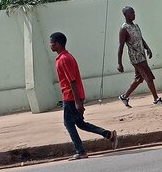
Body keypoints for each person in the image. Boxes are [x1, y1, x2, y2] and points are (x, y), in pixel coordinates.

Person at [50, 32, 118, 160]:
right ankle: (108, 135)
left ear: (57, 44)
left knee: (68, 124)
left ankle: (80, 151)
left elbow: (72, 81)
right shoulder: (65, 57)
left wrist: (77, 102)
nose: (50, 45)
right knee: (80, 124)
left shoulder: (64, 59)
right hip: (73, 96)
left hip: (70, 97)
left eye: (51, 43)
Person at [117, 6, 162, 107]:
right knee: (149, 76)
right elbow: (121, 46)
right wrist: (119, 63)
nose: (134, 14)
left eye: (134, 12)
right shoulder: (124, 29)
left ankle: (124, 97)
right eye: (131, 13)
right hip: (136, 58)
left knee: (139, 79)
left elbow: (141, 39)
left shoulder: (136, 26)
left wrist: (147, 48)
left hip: (142, 55)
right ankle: (156, 99)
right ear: (125, 15)